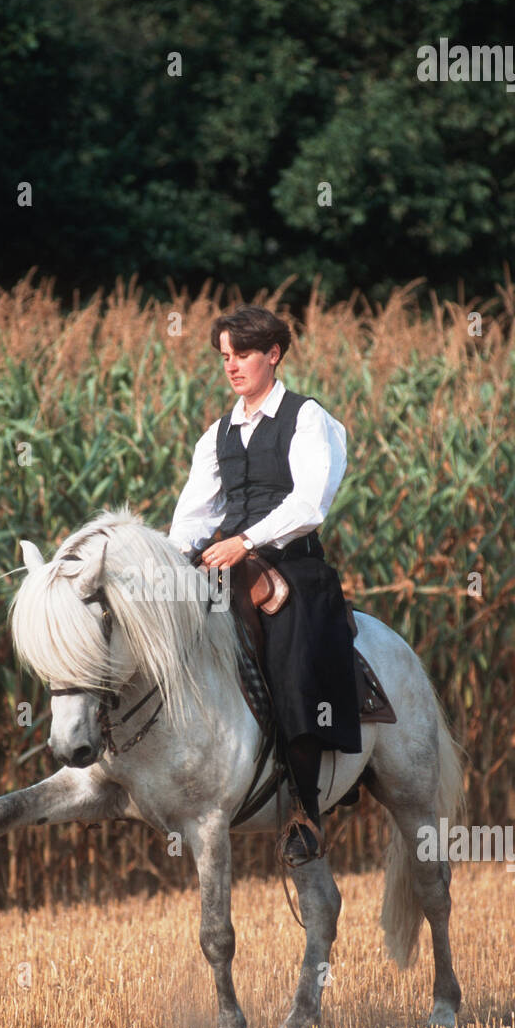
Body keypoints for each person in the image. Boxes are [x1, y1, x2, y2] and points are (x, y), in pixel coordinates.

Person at [168, 304, 361, 860]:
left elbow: (309, 503)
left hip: (292, 563)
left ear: (273, 354)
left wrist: (247, 541)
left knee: (286, 656)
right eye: (225, 356)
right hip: (223, 561)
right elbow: (194, 514)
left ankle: (304, 810)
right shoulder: (217, 432)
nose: (232, 367)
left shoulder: (307, 418)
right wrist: (177, 557)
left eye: (243, 354)